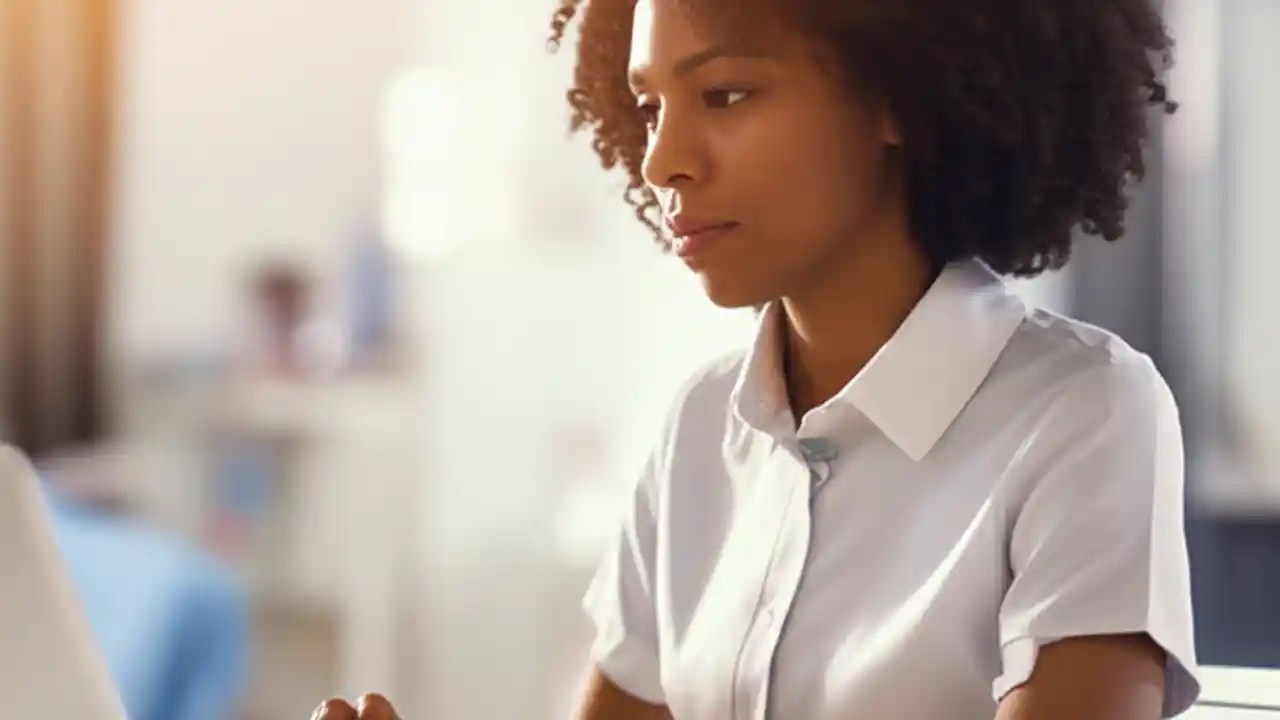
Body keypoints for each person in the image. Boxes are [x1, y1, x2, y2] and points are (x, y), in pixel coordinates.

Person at [316, 0, 1198, 717]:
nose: (664, 159)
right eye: (651, 107)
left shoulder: (1084, 412)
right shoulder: (701, 428)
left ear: (900, 97)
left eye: (727, 94)